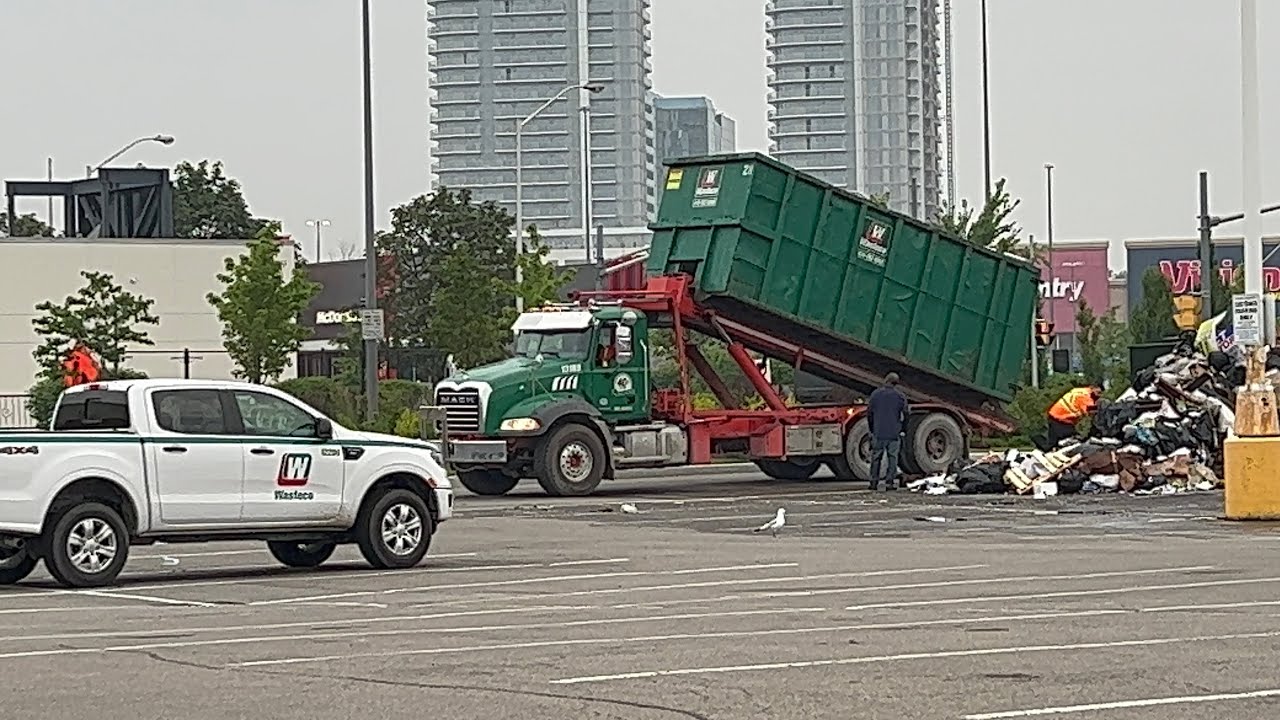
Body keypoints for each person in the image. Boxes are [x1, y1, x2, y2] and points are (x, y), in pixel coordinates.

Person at [866, 372, 908, 491]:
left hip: (879, 431)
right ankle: (889, 483)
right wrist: (903, 428)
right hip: (894, 432)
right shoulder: (900, 396)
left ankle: (873, 482)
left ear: (886, 380)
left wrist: (872, 428)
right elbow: (906, 413)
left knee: (876, 457)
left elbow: (869, 413)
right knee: (892, 458)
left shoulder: (875, 394)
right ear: (896, 383)